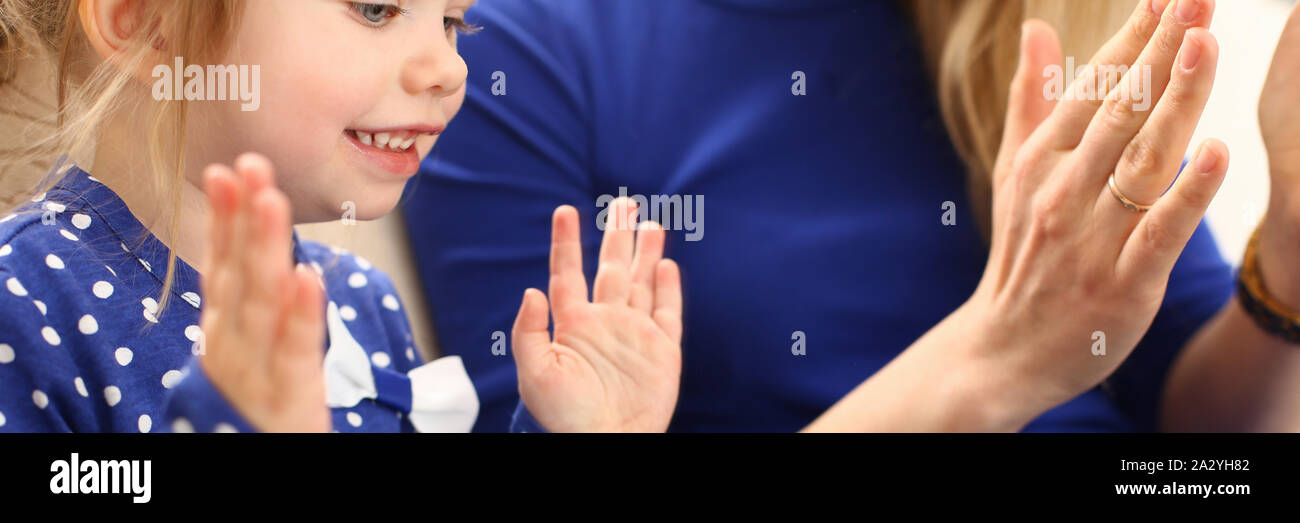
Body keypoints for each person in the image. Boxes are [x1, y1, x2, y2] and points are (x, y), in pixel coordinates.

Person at [408, 0, 1300, 432]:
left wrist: (1292, 248)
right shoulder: (509, 47)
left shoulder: (1031, 23)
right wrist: (1000, 357)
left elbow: (1199, 435)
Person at [0, 0, 683, 433]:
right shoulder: (24, 298)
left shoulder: (360, 299)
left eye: (452, 22)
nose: (448, 67)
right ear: (146, 23)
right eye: (378, 10)